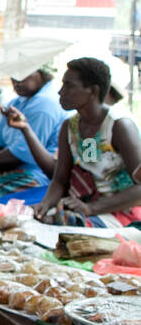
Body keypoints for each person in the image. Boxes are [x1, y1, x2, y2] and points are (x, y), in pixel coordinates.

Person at [9, 58, 141, 228]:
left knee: (62, 226)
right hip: (79, 210)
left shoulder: (119, 126)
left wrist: (90, 208)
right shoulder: (70, 126)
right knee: (29, 220)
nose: (60, 92)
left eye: (69, 86)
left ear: (93, 91)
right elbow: (60, 180)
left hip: (117, 213)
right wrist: (45, 204)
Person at [0, 64, 67, 201]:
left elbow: (20, 156)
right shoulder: (18, 102)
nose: (16, 81)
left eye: (22, 74)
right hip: (21, 171)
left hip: (36, 176)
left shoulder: (45, 104)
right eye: (13, 75)